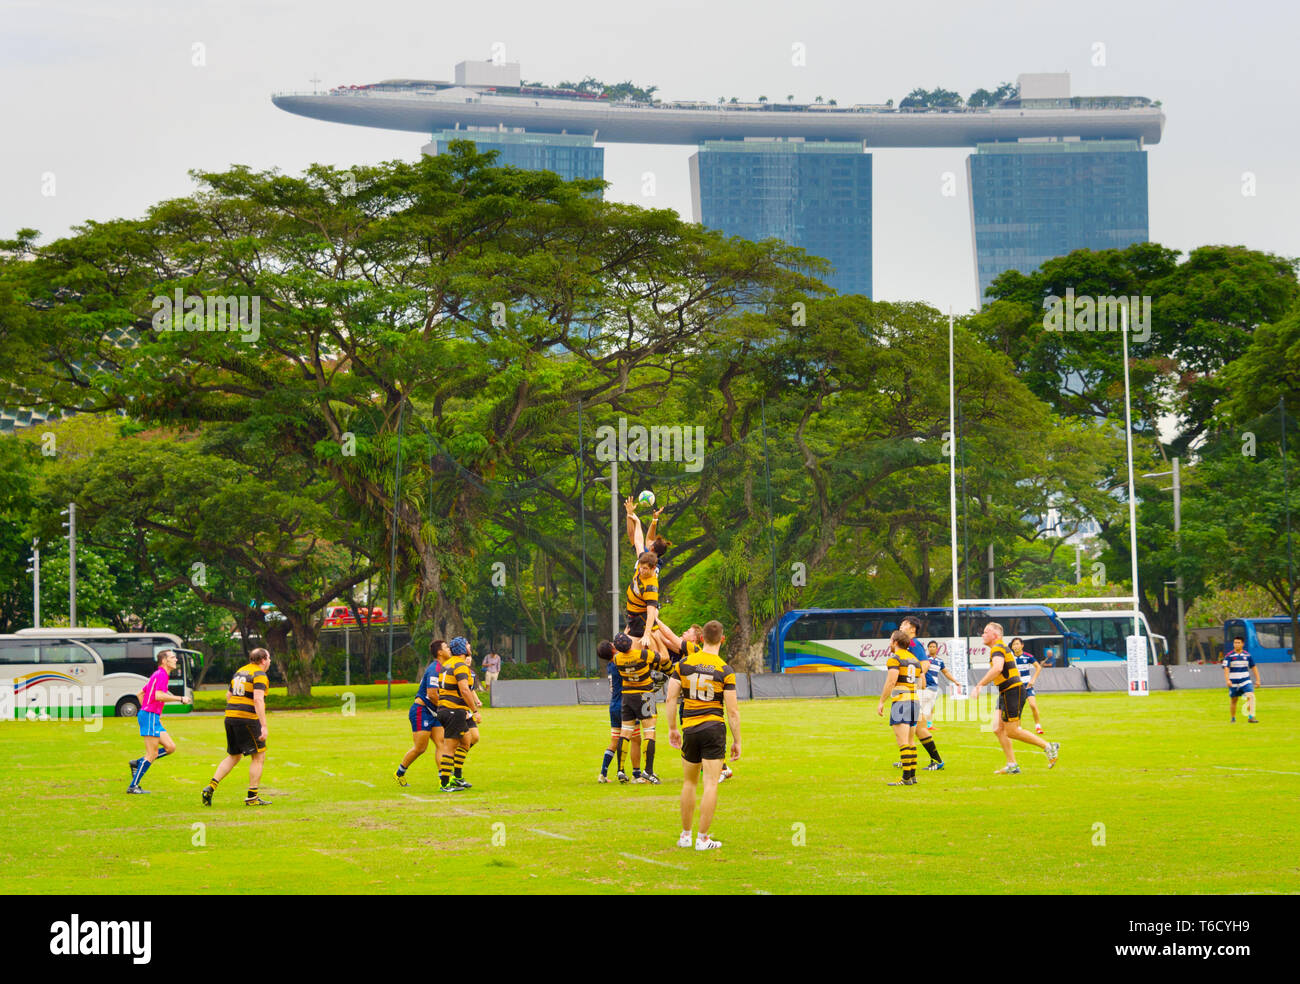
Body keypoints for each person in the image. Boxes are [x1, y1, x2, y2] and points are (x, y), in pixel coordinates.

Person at [665, 620, 740, 850]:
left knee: (689, 782)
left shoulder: (684, 664)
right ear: (722, 640)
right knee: (710, 784)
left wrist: (672, 729)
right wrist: (737, 741)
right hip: (713, 728)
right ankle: (702, 838)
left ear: (702, 638)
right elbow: (733, 711)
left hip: (690, 728)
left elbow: (670, 698)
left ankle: (686, 835)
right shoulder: (724, 669)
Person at [971, 624, 1059, 774]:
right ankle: (1012, 765)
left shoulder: (998, 647)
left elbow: (998, 668)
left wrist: (979, 685)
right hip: (1006, 692)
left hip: (1013, 691)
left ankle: (1049, 746)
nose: (982, 635)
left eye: (985, 632)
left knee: (1011, 731)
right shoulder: (999, 648)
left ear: (995, 635)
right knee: (998, 728)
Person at [202, 648, 272, 806]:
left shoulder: (240, 672)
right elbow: (258, 700)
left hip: (230, 716)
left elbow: (229, 695)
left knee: (235, 755)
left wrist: (235, 711)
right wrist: (264, 725)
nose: (269, 662)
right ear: (263, 660)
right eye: (269, 658)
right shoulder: (260, 674)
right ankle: (252, 797)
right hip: (247, 718)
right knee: (258, 756)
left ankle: (210, 787)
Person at [127, 649, 192, 793]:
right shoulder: (161, 674)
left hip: (151, 716)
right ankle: (133, 786)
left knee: (170, 747)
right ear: (164, 661)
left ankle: (137, 763)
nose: (176, 660)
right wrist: (180, 698)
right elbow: (158, 695)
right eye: (173, 657)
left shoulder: (159, 675)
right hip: (150, 716)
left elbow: (141, 694)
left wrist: (148, 710)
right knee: (152, 754)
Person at [613, 631, 671, 784]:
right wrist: (656, 638)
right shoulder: (643, 655)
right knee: (649, 733)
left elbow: (623, 648)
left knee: (625, 732)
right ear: (630, 643)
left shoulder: (616, 658)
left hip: (627, 696)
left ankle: (620, 770)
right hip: (646, 695)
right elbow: (664, 657)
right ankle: (648, 771)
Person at [893, 616, 944, 771]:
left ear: (912, 629)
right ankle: (912, 757)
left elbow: (925, 664)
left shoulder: (913, 643)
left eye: (904, 624)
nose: (901, 626)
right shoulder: (909, 644)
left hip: (919, 690)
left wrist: (914, 677)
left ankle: (927, 759)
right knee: (917, 727)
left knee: (911, 727)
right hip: (917, 690)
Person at [395, 639, 448, 787]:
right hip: (421, 711)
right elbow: (432, 694)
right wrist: (445, 709)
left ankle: (443, 780)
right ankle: (399, 773)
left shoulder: (443, 668)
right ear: (440, 652)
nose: (449, 649)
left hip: (434, 711)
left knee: (441, 743)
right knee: (420, 748)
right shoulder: (434, 669)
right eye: (446, 647)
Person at [436, 637, 482, 792]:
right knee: (450, 748)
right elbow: (464, 690)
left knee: (467, 740)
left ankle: (457, 777)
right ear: (462, 648)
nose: (470, 646)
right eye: (467, 644)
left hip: (445, 709)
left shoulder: (447, 664)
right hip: (453, 710)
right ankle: (444, 784)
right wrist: (475, 711)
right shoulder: (460, 666)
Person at [878, 630, 923, 785]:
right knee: (911, 741)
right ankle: (912, 776)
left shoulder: (894, 659)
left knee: (902, 741)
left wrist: (882, 701)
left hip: (901, 701)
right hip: (914, 701)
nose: (889, 643)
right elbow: (921, 683)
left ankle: (905, 778)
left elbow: (891, 682)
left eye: (890, 640)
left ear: (896, 642)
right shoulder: (915, 660)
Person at [597, 639, 640, 782]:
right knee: (635, 739)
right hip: (626, 704)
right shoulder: (618, 663)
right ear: (612, 649)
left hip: (614, 705)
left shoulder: (610, 665)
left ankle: (603, 773)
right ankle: (636, 774)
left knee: (615, 740)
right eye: (612, 644)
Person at [1010, 637, 1046, 733]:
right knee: (1017, 708)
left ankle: (1038, 726)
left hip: (1027, 686)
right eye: (1014, 644)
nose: (1016, 646)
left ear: (1022, 645)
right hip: (1015, 686)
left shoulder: (1028, 656)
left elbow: (1038, 667)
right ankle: (1018, 728)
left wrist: (1033, 680)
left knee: (1033, 705)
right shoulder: (1009, 657)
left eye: (1017, 644)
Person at [1222, 636, 1261, 723]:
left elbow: (1253, 667)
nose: (1236, 644)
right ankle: (1233, 718)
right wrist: (1227, 680)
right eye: (1235, 643)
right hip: (1234, 681)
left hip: (1245, 680)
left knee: (1250, 696)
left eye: (1238, 643)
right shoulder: (1229, 656)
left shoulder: (1247, 655)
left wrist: (1258, 680)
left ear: (1242, 644)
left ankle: (1251, 717)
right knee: (1234, 700)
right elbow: (1226, 668)